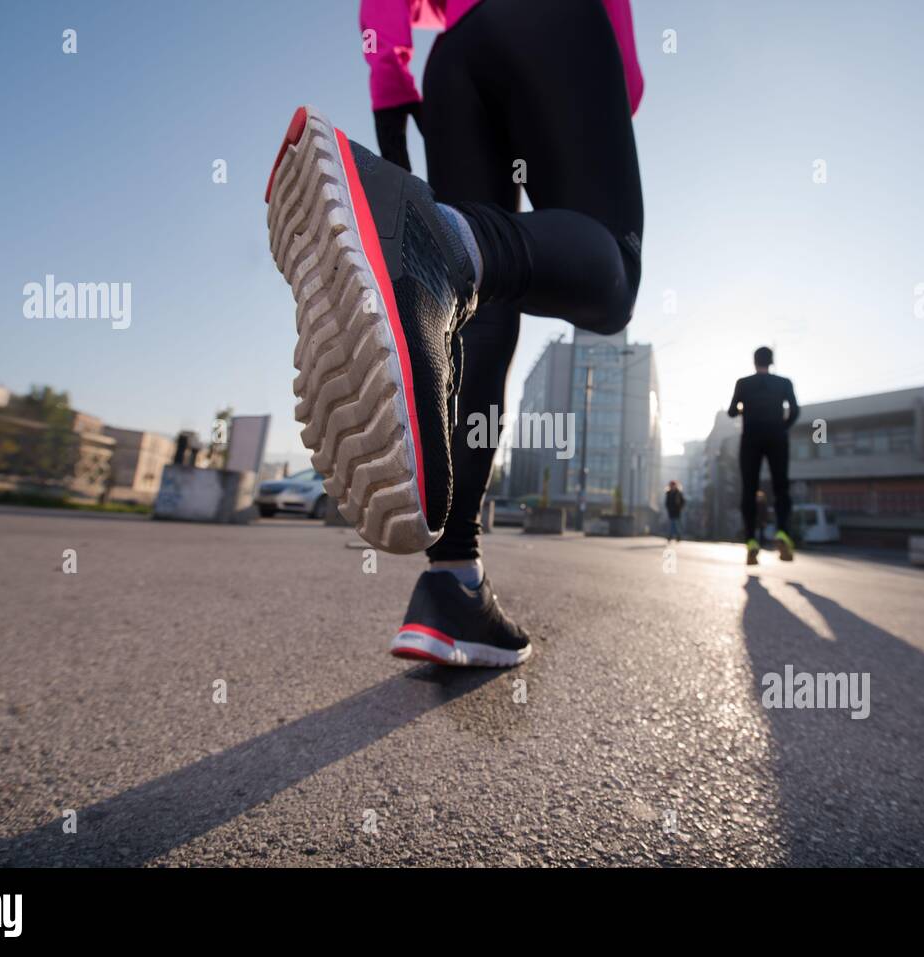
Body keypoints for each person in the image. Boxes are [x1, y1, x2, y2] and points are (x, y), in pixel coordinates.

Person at [265, 0, 644, 667]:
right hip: (560, 23)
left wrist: (390, 78)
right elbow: (628, 78)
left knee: (480, 297)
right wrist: (606, 90)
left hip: (454, 59)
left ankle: (452, 583)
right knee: (612, 272)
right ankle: (439, 239)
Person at [727, 347, 799, 565]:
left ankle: (751, 541)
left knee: (749, 489)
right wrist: (782, 427)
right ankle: (782, 533)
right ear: (771, 362)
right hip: (777, 437)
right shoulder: (784, 383)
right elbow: (795, 411)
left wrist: (744, 410)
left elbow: (731, 411)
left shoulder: (743, 383)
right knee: (781, 487)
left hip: (750, 438)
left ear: (754, 362)